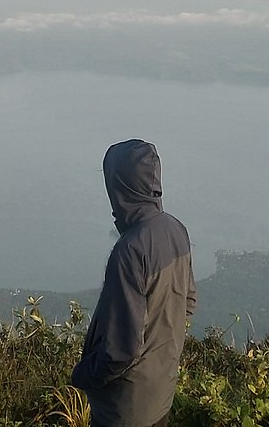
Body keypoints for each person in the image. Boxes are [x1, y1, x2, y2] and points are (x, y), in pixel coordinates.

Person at [71, 139, 196, 427]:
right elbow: (187, 303)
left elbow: (120, 350)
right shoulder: (176, 230)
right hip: (161, 393)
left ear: (120, 186)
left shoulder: (130, 250)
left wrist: (85, 374)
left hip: (124, 410)